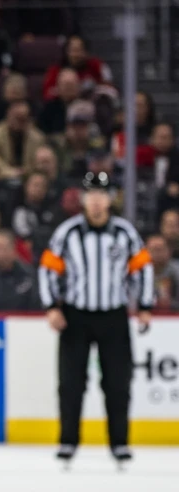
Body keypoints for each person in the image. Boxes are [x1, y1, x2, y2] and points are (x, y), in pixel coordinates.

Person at [38, 171, 154, 465]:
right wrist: (52, 306)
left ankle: (119, 443)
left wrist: (144, 305)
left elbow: (143, 268)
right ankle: (68, 441)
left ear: (111, 198)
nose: (97, 201)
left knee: (118, 382)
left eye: (102, 194)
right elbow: (47, 268)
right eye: (91, 194)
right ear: (83, 198)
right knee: (71, 382)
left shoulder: (125, 233)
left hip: (113, 316)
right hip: (75, 316)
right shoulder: (68, 233)